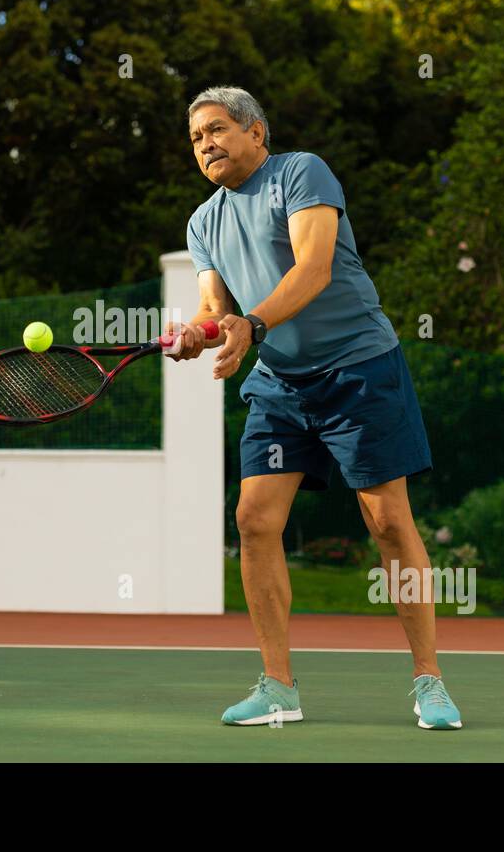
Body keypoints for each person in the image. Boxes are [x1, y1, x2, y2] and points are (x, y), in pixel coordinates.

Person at [167, 86, 462, 730]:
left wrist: (252, 323)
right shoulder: (203, 222)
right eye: (196, 139)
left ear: (256, 133)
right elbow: (216, 311)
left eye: (218, 130)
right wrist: (198, 331)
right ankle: (278, 688)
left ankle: (429, 680)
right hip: (281, 385)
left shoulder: (301, 173)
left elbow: (314, 268)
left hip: (359, 370)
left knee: (387, 522)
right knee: (254, 519)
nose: (207, 145)